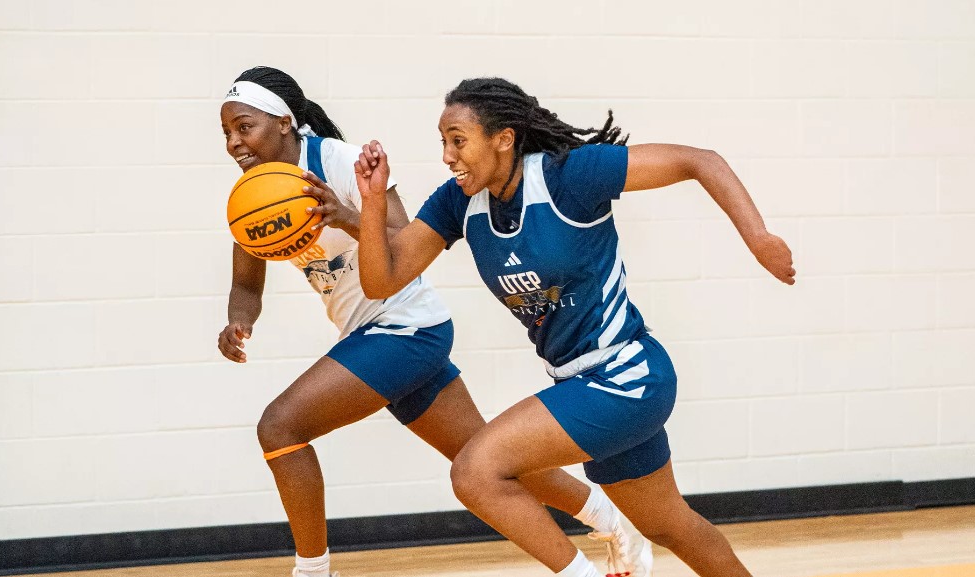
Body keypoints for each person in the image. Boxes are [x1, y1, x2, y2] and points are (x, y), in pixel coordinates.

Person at [217, 68, 653, 577]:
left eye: (243, 127)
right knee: (485, 460)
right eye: (226, 132)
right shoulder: (255, 192)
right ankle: (614, 521)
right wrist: (237, 322)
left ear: (285, 121)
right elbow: (247, 283)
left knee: (279, 426)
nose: (233, 142)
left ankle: (314, 571)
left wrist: (345, 214)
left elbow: (403, 239)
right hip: (373, 335)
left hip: (405, 325)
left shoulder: (336, 160)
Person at [354, 77, 796, 577]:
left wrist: (758, 237)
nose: (447, 156)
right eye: (443, 142)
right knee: (671, 527)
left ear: (504, 138)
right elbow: (381, 279)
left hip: (625, 375)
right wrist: (371, 204)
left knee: (475, 472)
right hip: (582, 384)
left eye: (458, 140)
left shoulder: (570, 176)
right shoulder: (459, 202)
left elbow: (701, 160)